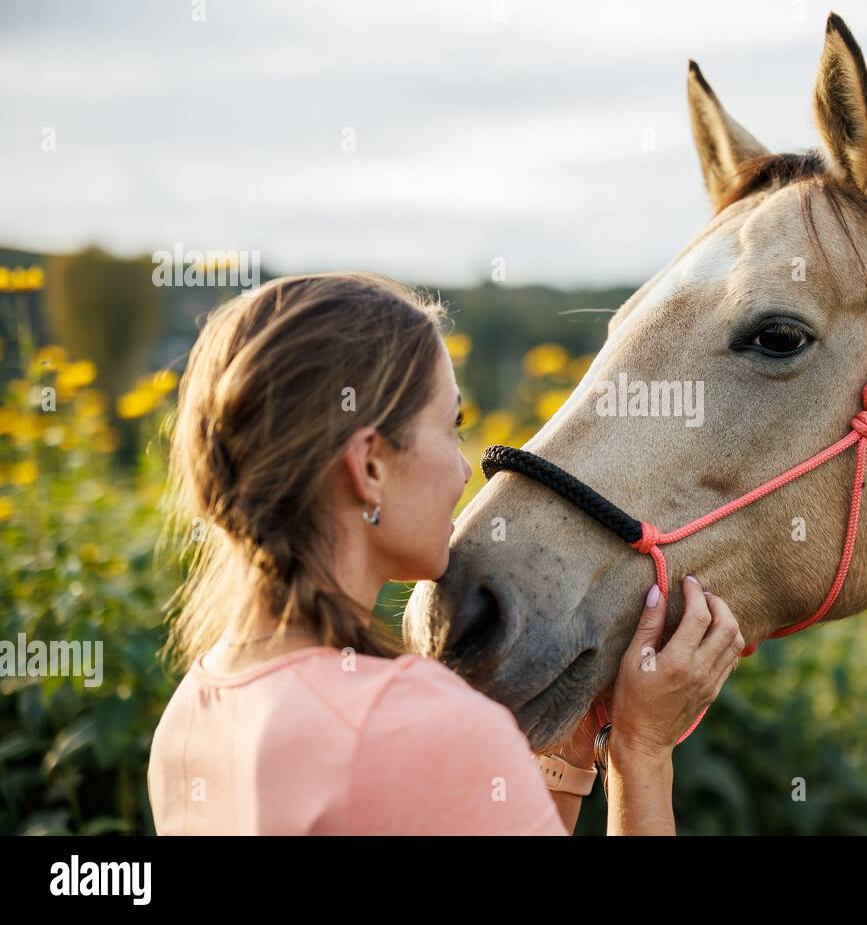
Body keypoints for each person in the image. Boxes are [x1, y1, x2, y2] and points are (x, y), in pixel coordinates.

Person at [147, 272, 744, 835]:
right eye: (451, 427)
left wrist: (567, 757)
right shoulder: (425, 727)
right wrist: (642, 752)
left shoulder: (191, 715)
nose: (465, 472)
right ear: (370, 466)